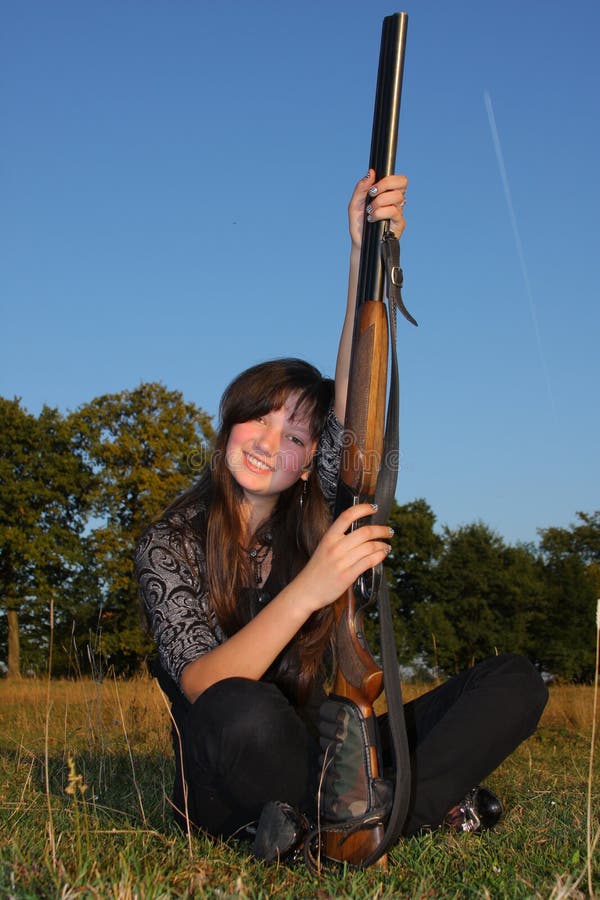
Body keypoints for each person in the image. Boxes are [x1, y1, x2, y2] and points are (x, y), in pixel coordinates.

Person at [134, 171, 548, 862]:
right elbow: (204, 685)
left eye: (296, 435)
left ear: (308, 460)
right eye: (257, 420)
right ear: (227, 427)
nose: (272, 443)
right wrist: (314, 584)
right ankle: (396, 814)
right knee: (242, 708)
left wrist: (363, 255)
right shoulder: (168, 543)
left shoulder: (315, 510)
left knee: (516, 683)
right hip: (230, 764)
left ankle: (349, 824)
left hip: (331, 758)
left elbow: (354, 421)